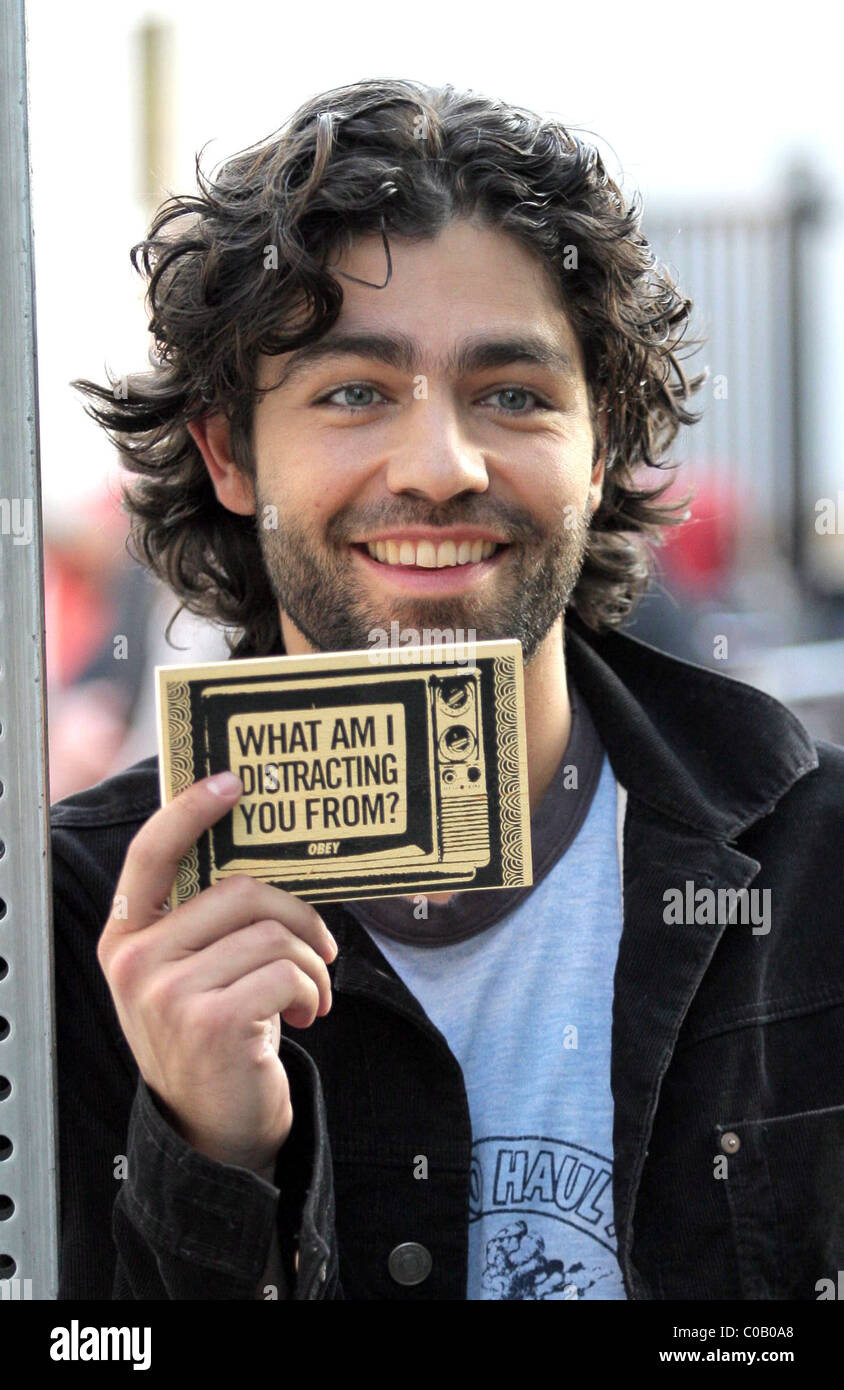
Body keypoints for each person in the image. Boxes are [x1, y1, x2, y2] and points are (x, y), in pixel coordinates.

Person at [52, 78, 844, 1301]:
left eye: (513, 395)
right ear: (228, 454)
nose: (440, 466)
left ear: (602, 450)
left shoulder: (817, 865)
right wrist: (210, 1159)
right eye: (354, 392)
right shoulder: (71, 931)